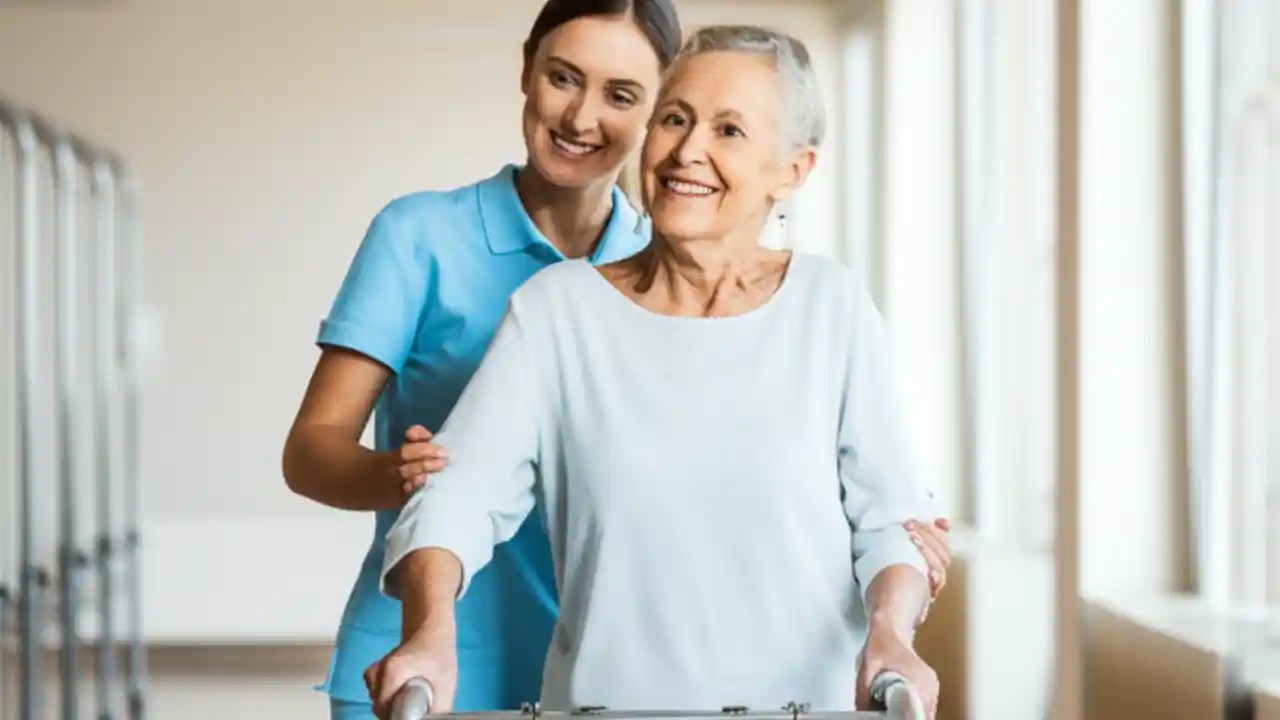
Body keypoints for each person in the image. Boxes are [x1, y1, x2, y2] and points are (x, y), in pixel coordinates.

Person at [365, 25, 947, 720]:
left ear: (792, 170)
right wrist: (431, 630)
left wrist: (890, 634)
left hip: (805, 708)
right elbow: (457, 499)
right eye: (674, 118)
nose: (687, 150)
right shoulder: (558, 312)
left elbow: (891, 522)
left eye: (729, 130)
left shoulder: (832, 306)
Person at [282, 2, 683, 718]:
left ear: (658, 110)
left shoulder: (666, 264)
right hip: (419, 663)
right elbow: (309, 453)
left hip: (605, 672)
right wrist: (394, 476)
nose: (581, 116)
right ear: (527, 69)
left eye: (621, 95)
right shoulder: (418, 235)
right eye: (564, 78)